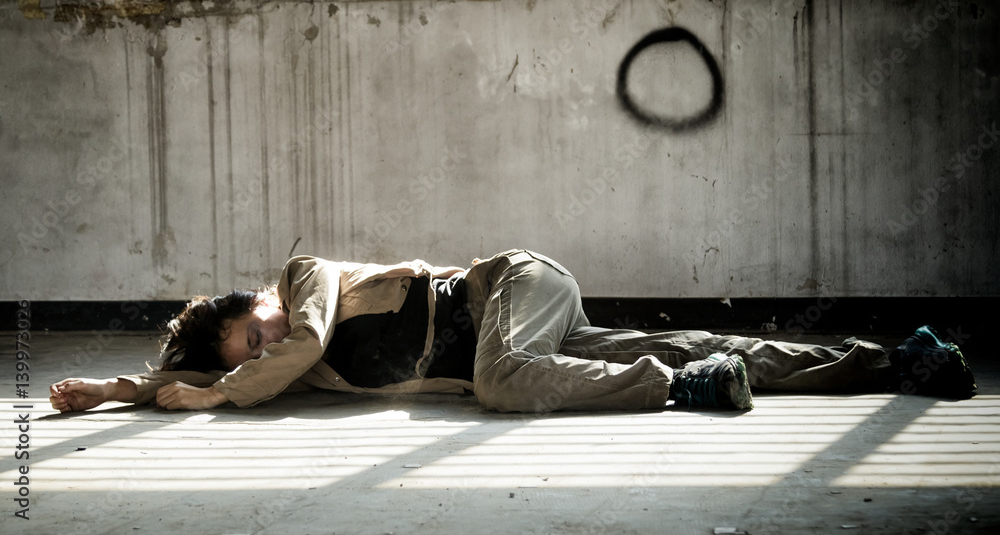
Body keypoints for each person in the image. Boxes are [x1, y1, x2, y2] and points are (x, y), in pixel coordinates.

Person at [49, 249, 978, 415]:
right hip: (522, 336)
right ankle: (901, 360)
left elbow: (283, 358)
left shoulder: (303, 286)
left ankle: (674, 387)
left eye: (252, 333)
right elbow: (180, 380)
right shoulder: (269, 366)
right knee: (708, 342)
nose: (265, 349)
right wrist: (111, 390)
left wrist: (222, 385)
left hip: (507, 286)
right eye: (248, 350)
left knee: (501, 384)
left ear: (256, 302)